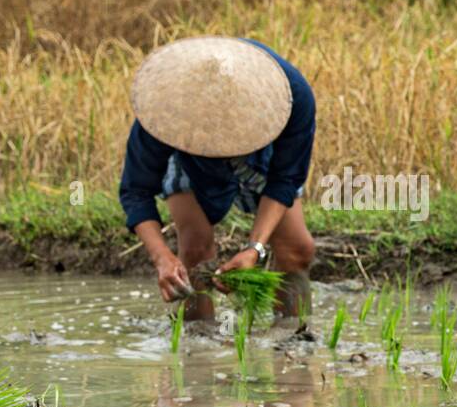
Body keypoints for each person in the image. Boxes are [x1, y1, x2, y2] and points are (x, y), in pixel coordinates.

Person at [119, 36, 316, 319]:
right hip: (187, 156)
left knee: (298, 249)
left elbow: (285, 178)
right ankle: (199, 346)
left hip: (260, 155)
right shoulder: (164, 113)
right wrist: (162, 257)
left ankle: (292, 343)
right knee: (196, 248)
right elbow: (135, 191)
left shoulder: (291, 97)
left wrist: (254, 249)